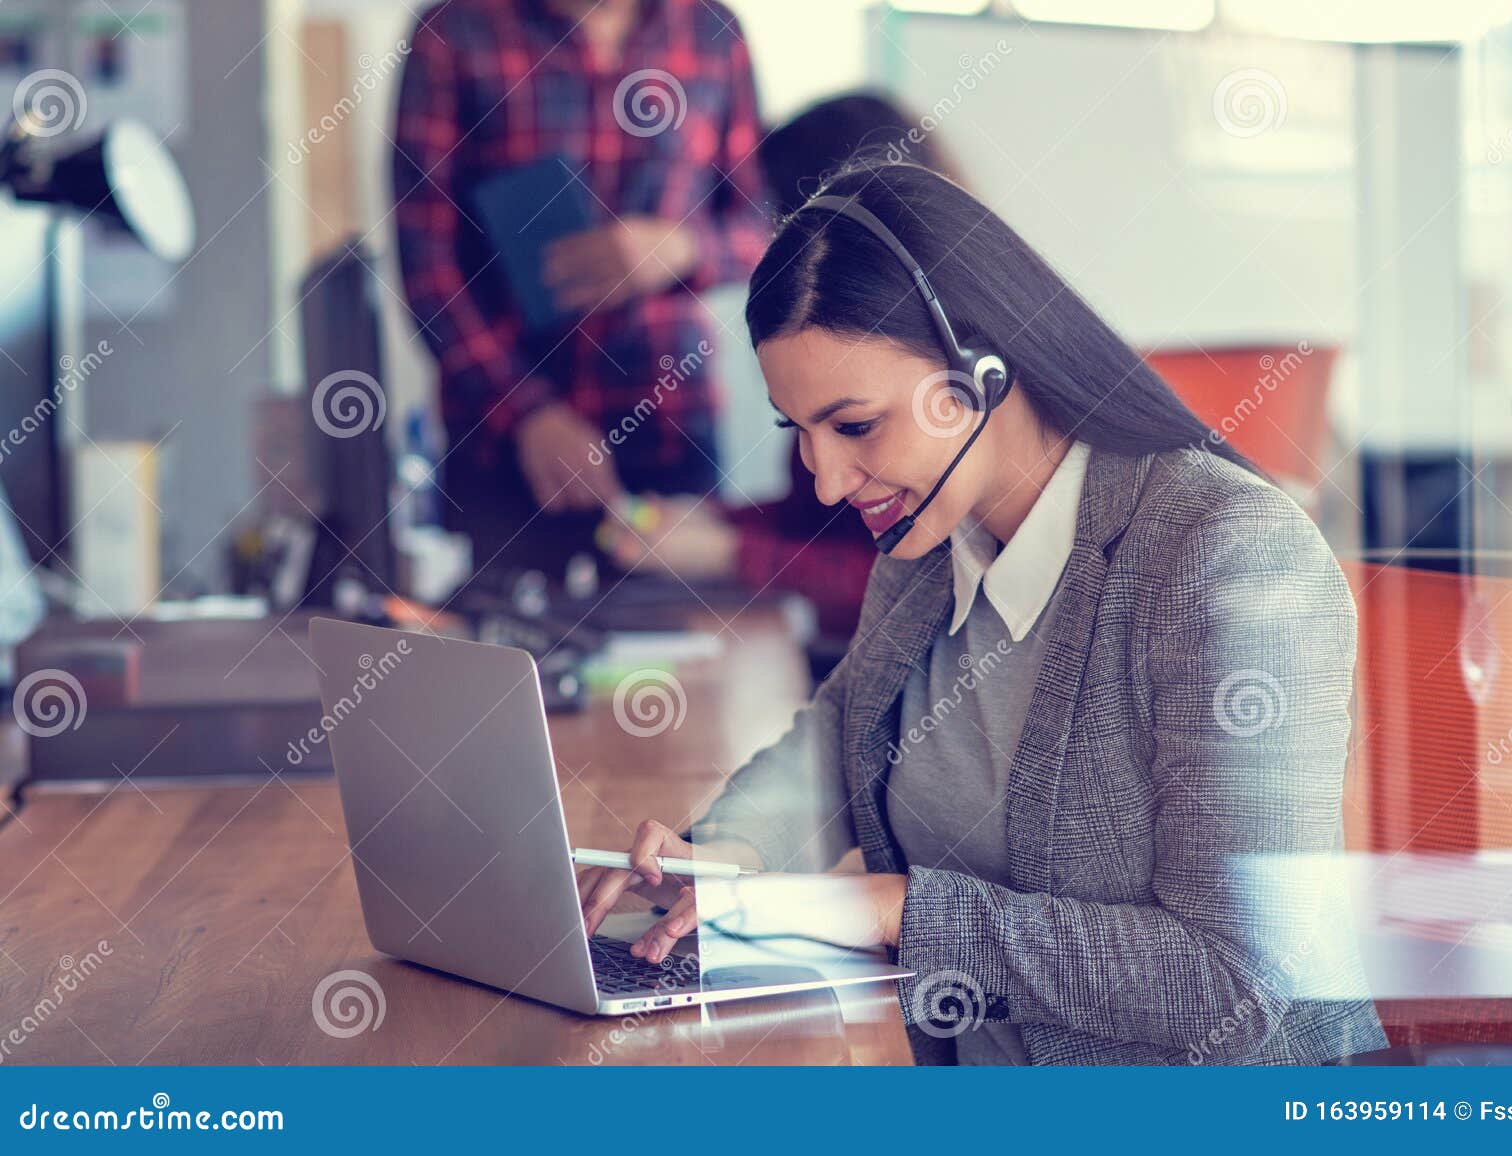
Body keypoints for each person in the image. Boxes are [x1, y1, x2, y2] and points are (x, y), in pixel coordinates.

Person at [576, 160, 1388, 1066]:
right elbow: (845, 729)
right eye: (797, 431)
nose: (827, 480)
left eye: (855, 427)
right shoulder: (933, 534)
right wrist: (721, 855)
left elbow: (1241, 980)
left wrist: (890, 912)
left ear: (985, 375)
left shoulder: (1222, 555)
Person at [392, 0, 770, 576]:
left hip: (671, 436)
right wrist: (526, 412)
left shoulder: (714, 32)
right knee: (502, 653)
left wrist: (682, 249)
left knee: (683, 660)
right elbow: (426, 261)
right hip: (505, 452)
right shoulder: (452, 31)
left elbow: (763, 224)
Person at [599, 91, 957, 639]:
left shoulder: (941, 369)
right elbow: (821, 521)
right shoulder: (840, 354)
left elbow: (921, 582)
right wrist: (711, 522)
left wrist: (731, 553)